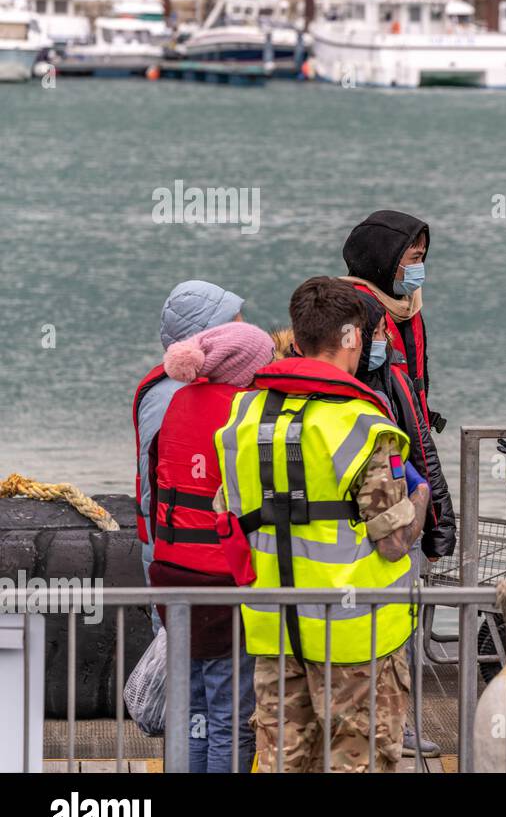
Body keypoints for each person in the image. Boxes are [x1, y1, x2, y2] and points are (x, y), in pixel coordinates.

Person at [214, 277, 430, 773]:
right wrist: (419, 496)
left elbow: (228, 509)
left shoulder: (242, 415)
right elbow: (395, 541)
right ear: (352, 337)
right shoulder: (360, 424)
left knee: (281, 761)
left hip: (274, 629)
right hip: (355, 637)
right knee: (358, 761)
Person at [148, 321, 275, 773]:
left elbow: (156, 484)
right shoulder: (247, 413)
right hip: (223, 580)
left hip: (171, 575)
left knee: (193, 712)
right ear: (248, 368)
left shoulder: (177, 403)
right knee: (231, 716)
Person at [355, 291, 457, 758]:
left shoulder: (388, 381)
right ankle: (382, 729)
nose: (385, 342)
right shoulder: (357, 396)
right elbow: (413, 460)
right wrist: (425, 505)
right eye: (377, 334)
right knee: (379, 636)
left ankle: (396, 725)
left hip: (392, 531)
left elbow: (418, 454)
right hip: (372, 540)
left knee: (398, 634)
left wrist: (436, 517)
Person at [134, 280, 245, 605]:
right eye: (234, 320)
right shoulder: (171, 396)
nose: (243, 326)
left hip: (192, 555)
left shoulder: (192, 389)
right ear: (208, 333)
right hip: (180, 558)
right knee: (179, 646)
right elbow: (158, 487)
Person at [342, 210, 438, 432]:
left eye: (422, 257)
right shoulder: (352, 310)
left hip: (410, 432)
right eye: (414, 258)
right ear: (386, 260)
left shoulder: (407, 305)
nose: (420, 266)